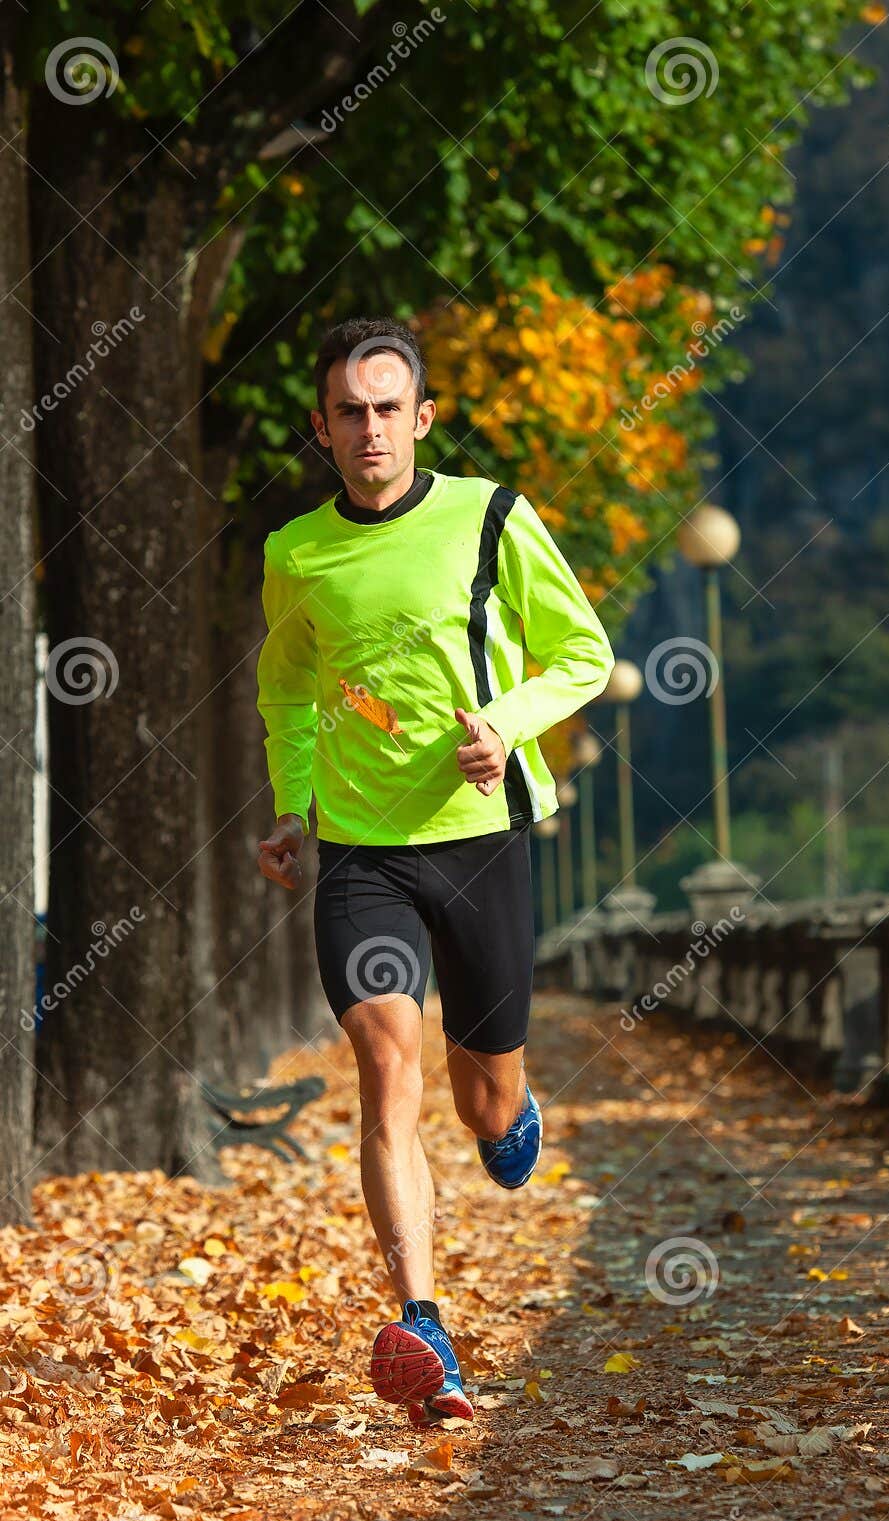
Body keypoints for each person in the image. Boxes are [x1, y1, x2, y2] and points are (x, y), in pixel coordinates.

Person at [255, 317, 614, 1427]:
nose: (370, 430)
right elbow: (288, 689)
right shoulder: (294, 554)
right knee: (383, 1053)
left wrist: (505, 725)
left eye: (387, 409)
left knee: (480, 1097)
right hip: (364, 853)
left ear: (422, 418)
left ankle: (508, 1112)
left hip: (483, 836)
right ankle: (423, 1323)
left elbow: (583, 653)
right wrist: (290, 804)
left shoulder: (493, 516)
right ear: (323, 430)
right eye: (348, 414)